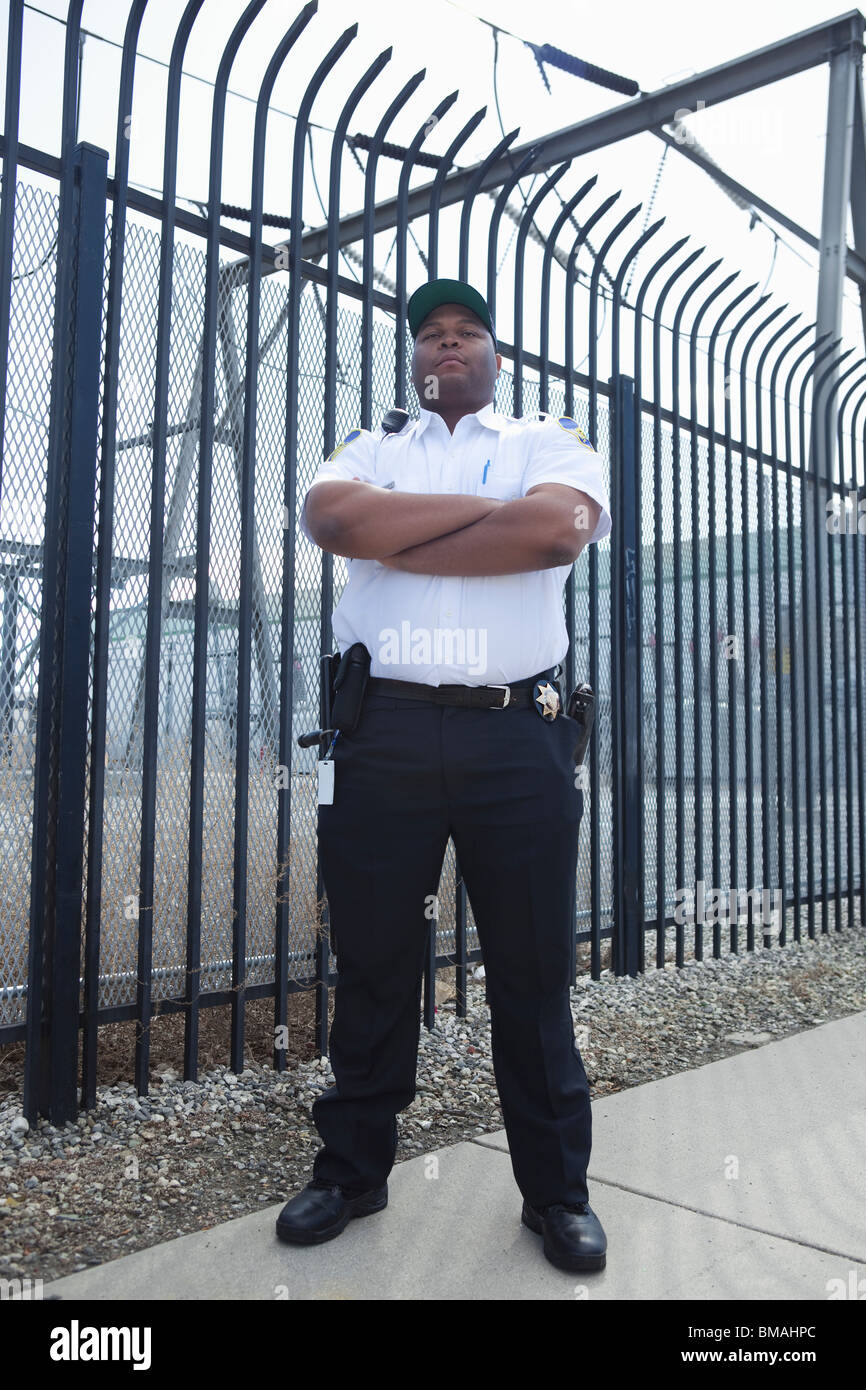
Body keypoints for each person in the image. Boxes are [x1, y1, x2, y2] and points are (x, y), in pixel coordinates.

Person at [275, 278, 612, 1273]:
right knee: (375, 961)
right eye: (431, 334)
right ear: (414, 359)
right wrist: (481, 520)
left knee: (531, 968)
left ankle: (554, 1193)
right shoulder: (366, 448)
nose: (448, 344)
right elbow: (337, 522)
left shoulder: (546, 441)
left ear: (493, 354)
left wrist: (406, 528)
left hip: (519, 734)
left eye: (466, 331)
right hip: (382, 733)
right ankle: (351, 1168)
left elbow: (551, 532)